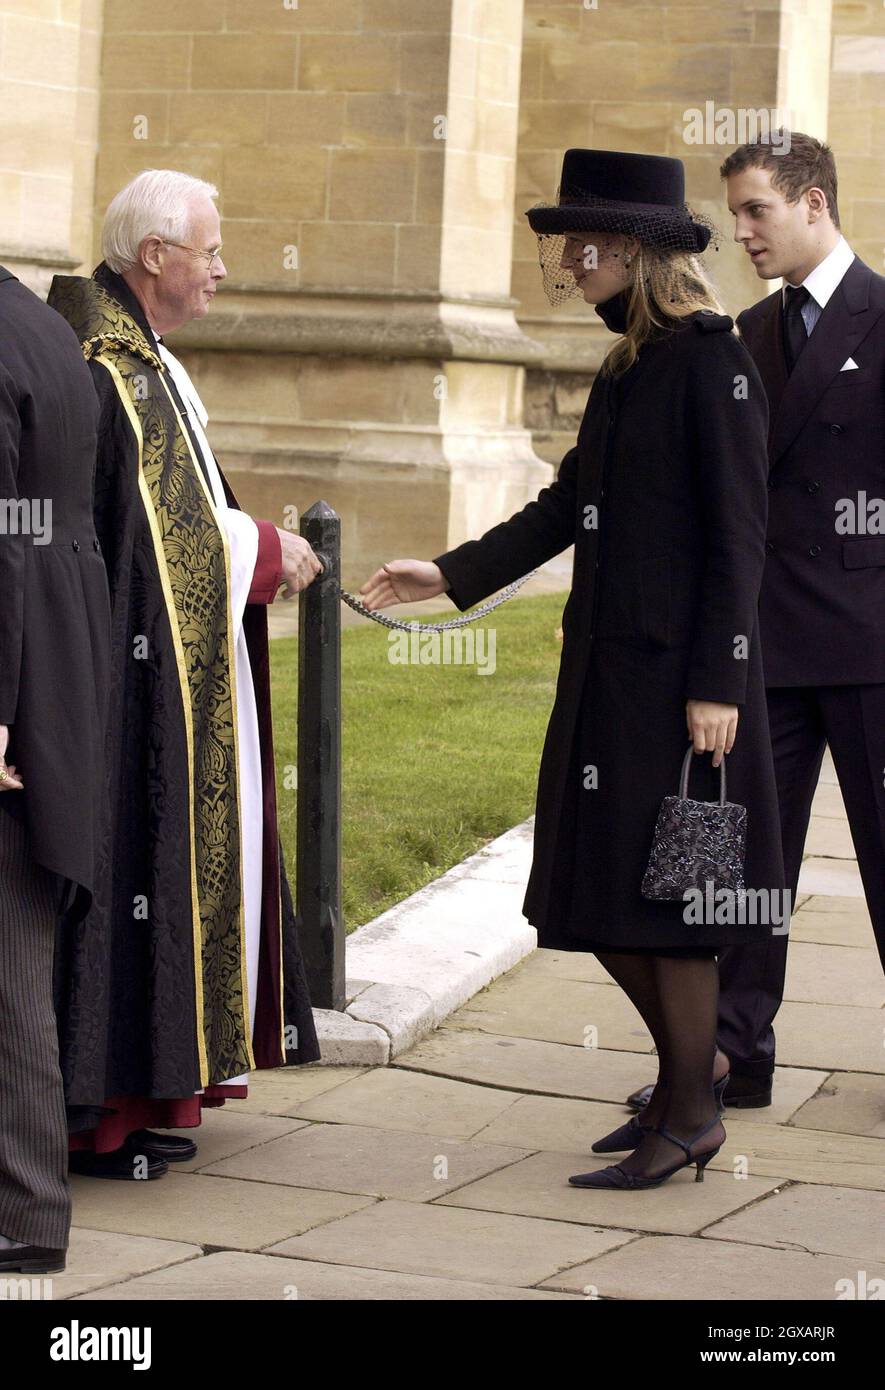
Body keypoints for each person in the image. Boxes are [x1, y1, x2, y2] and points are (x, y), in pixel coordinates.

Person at [360, 149, 787, 1190]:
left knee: (673, 904)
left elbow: (740, 538)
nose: (567, 258)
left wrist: (719, 684)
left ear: (633, 248)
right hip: (606, 682)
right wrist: (449, 574)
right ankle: (691, 1077)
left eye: (580, 240)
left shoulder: (710, 359)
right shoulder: (625, 366)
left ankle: (692, 1110)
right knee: (593, 897)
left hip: (681, 694)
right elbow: (565, 506)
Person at [46, 169, 322, 1180]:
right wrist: (266, 552)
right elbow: (156, 530)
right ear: (154, 256)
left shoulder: (145, 355)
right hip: (118, 670)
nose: (222, 269)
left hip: (158, 657)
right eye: (209, 250)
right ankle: (106, 1109)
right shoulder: (103, 359)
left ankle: (158, 1089)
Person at [626, 132, 885, 1117]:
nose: (738, 232)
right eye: (732, 214)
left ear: (813, 204)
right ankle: (733, 1053)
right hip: (766, 645)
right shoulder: (743, 335)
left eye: (755, 211)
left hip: (873, 645)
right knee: (741, 864)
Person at [0, 265, 110, 1270]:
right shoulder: (38, 322)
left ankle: (27, 1215)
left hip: (22, 673)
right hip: (63, 657)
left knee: (6, 960)